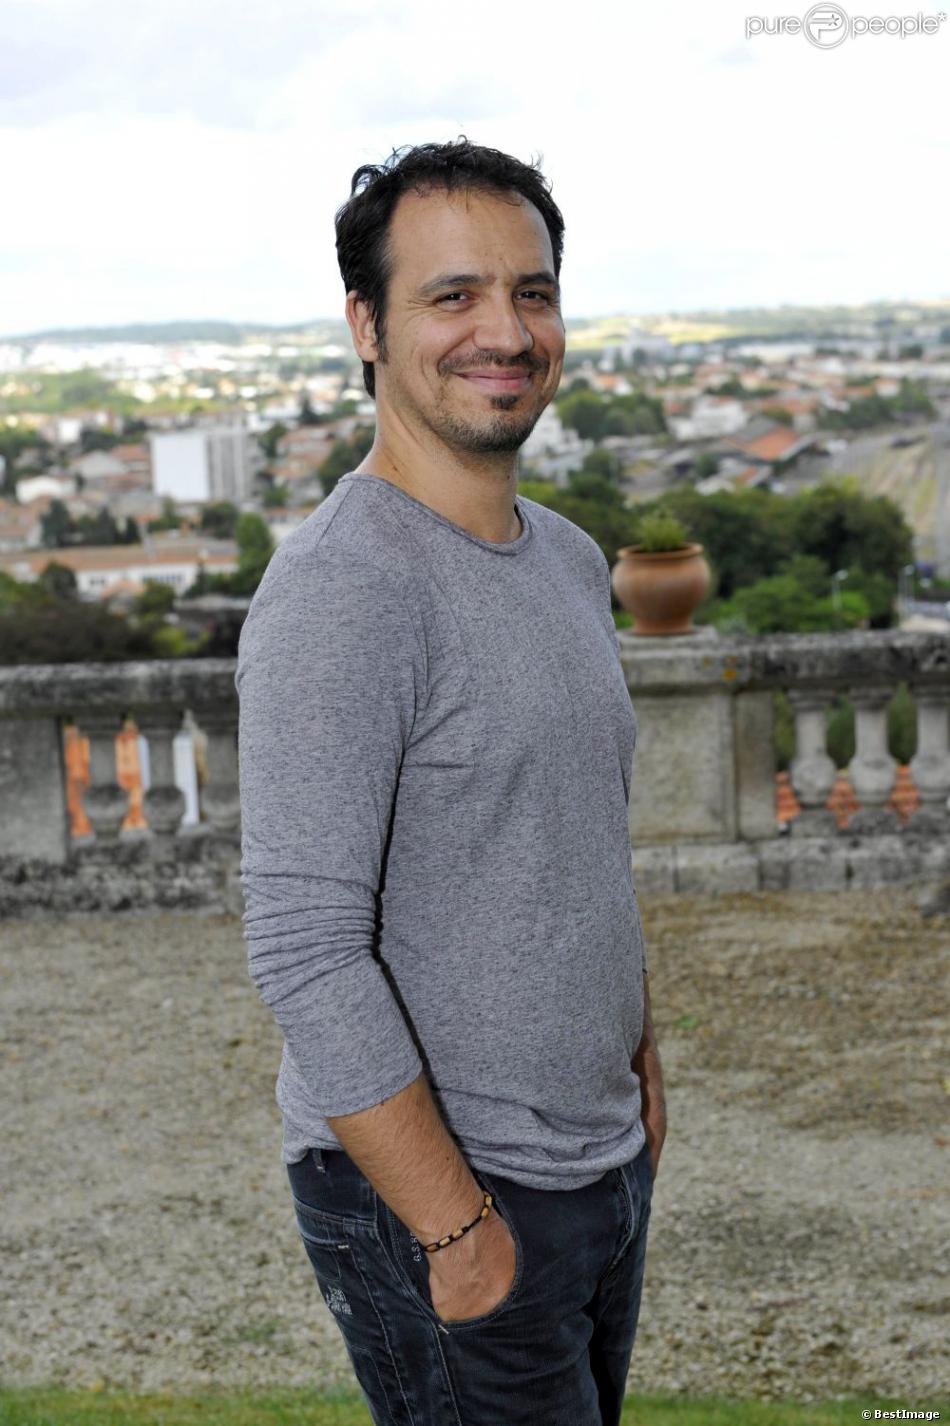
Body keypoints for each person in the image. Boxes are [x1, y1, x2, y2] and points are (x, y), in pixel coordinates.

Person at [235, 137, 666, 1426]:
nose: (506, 330)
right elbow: (305, 947)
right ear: (366, 325)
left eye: (531, 292)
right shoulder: (340, 592)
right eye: (453, 295)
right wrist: (454, 1228)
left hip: (596, 1167)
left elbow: (573, 835)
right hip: (448, 1200)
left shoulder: (569, 559)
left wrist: (641, 1060)